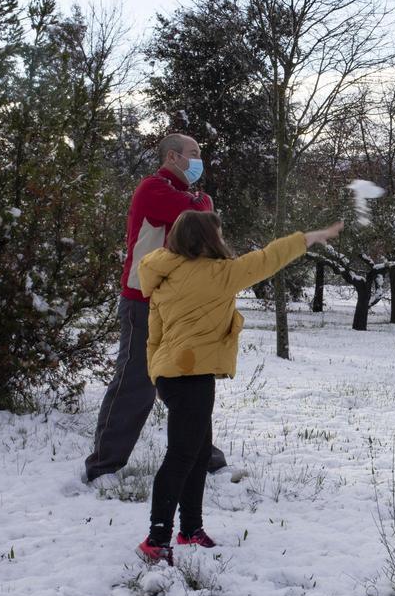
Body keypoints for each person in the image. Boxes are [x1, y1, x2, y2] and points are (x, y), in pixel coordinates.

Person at [134, 211, 345, 565]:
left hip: (174, 376)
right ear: (204, 240)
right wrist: (310, 237)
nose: (222, 240)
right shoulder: (219, 274)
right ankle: (157, 539)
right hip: (193, 377)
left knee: (198, 455)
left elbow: (154, 334)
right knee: (182, 457)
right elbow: (268, 258)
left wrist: (158, 375)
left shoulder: (165, 275)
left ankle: (190, 529)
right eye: (217, 234)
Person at [83, 134, 235, 487]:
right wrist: (202, 203)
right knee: (135, 382)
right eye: (194, 154)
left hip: (179, 305)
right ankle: (103, 467)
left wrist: (203, 203)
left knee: (191, 382)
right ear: (172, 157)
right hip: (143, 301)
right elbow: (201, 215)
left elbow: (205, 219)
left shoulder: (183, 195)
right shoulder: (153, 189)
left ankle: (206, 458)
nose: (199, 160)